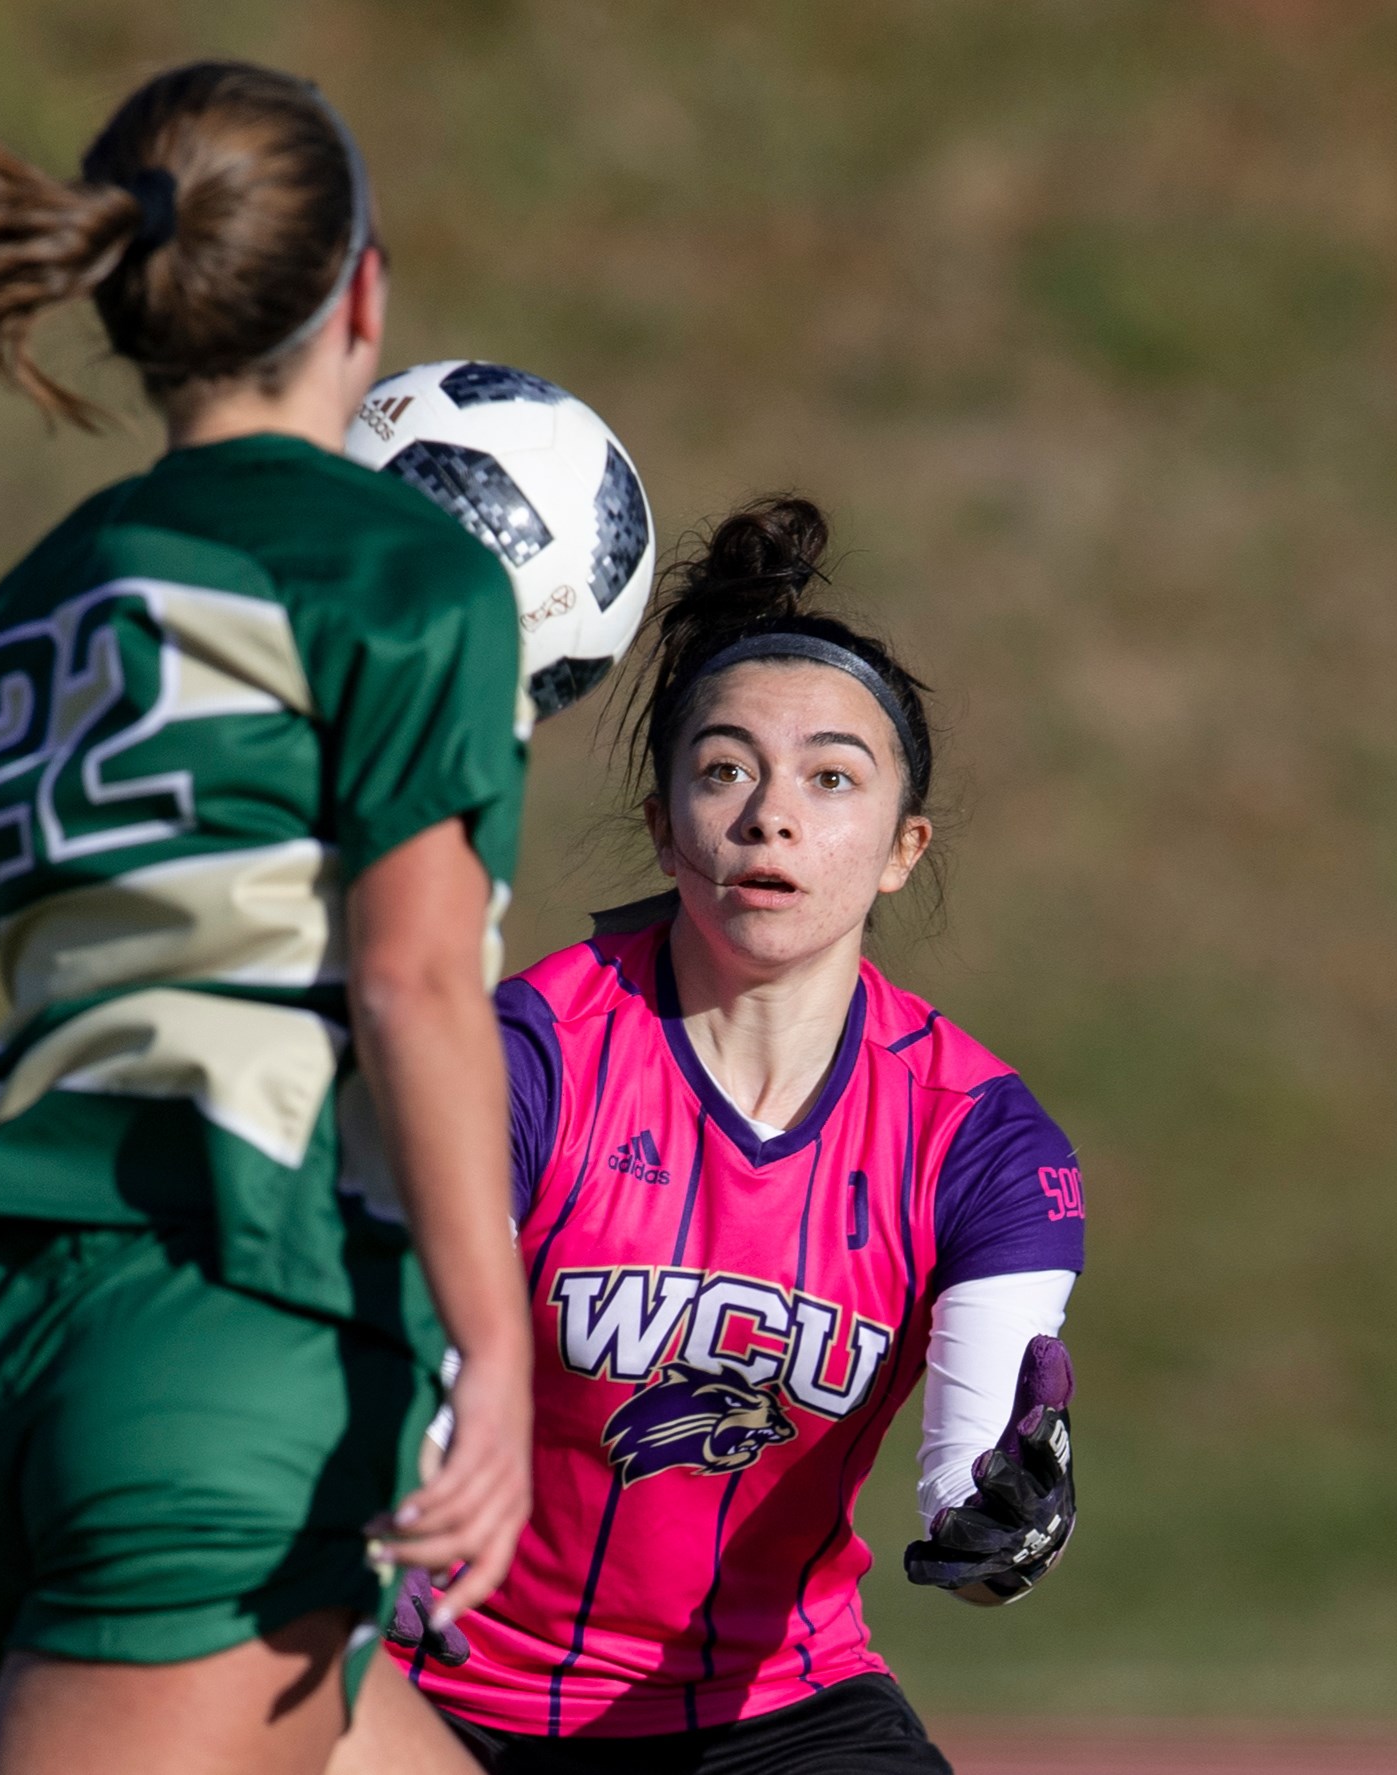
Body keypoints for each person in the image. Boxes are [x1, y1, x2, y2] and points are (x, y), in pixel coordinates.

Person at [0, 64, 532, 1775]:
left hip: (26, 1343)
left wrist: (49, 1360)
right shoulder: (399, 575)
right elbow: (411, 974)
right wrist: (500, 1347)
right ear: (361, 291)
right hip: (241, 1325)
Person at [378, 498, 1085, 1774]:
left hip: (769, 1719)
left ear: (899, 849)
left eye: (830, 777)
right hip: (435, 1693)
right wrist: (385, 1500)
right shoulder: (524, 1053)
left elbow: (964, 1505)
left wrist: (1003, 1524)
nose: (770, 815)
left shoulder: (978, 1137)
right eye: (722, 769)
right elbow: (406, 1353)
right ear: (663, 825)